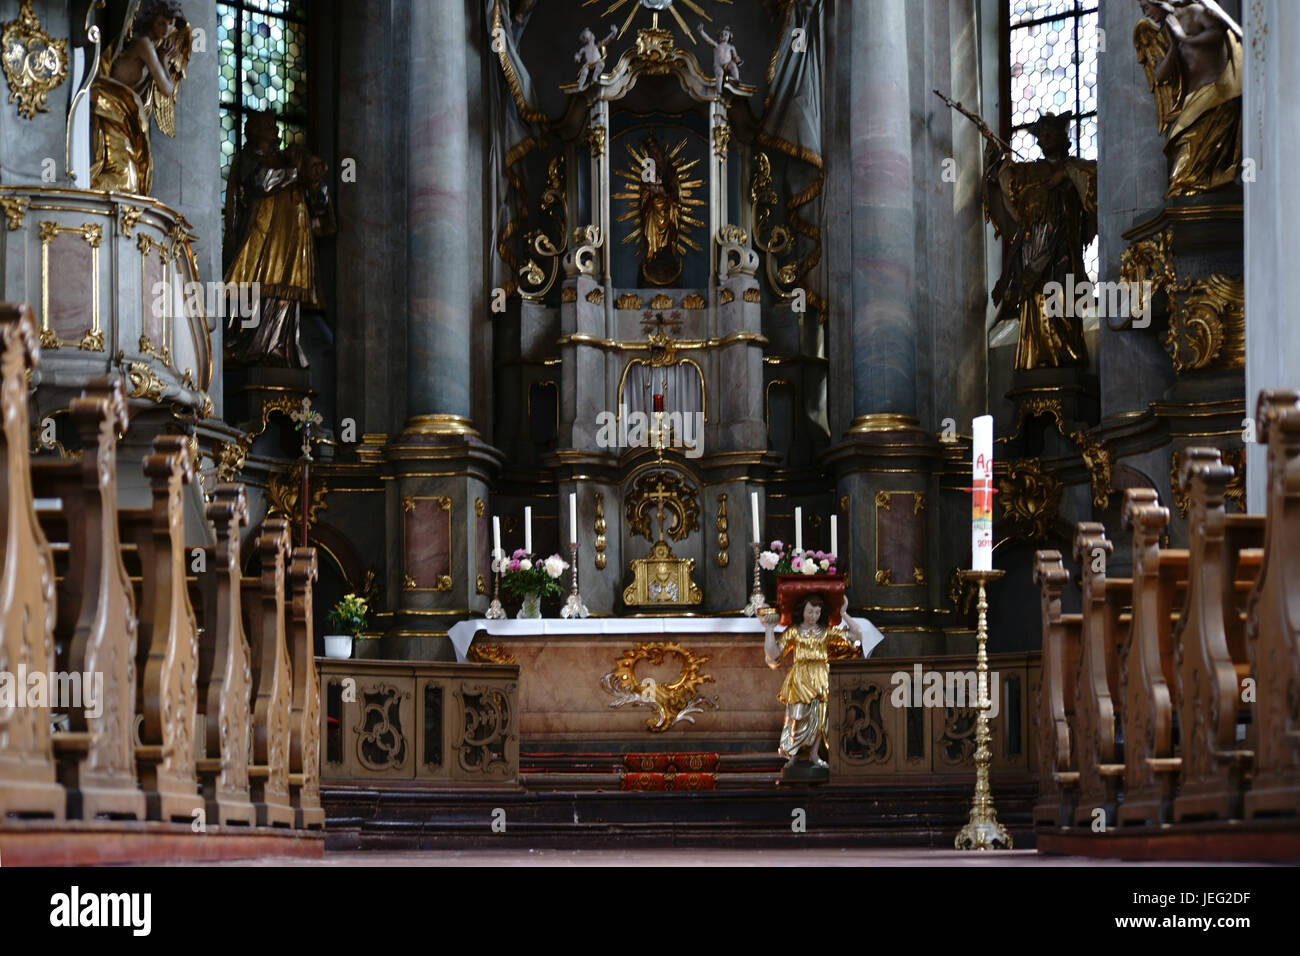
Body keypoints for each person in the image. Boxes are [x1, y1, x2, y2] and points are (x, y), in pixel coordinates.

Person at [984, 112, 1096, 370]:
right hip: (1034, 256)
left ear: (1061, 136)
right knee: (1037, 305)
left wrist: (1066, 175)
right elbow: (1009, 184)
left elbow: (1095, 178)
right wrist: (995, 157)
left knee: (1062, 306)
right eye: (1040, 136)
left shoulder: (1074, 167)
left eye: (1048, 134)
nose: (1043, 140)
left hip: (1064, 254)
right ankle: (1040, 361)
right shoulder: (1032, 172)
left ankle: (1066, 361)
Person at [222, 111, 327, 368]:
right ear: (254, 131)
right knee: (254, 296)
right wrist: (296, 173)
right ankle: (252, 347)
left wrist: (313, 178)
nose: (276, 132)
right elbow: (263, 181)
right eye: (270, 127)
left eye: (275, 127)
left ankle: (282, 347)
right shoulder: (248, 158)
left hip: (288, 250)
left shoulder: (286, 160)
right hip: (259, 246)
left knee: (285, 300)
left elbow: (319, 203)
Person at [1135, 0, 1242, 198]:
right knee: (1182, 173)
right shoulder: (1164, 31)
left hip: (1216, 95)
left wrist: (1185, 39)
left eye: (1146, 7)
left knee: (1183, 180)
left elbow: (1217, 33)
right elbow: (1159, 75)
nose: (1146, 14)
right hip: (1191, 103)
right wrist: (1175, 45)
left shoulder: (1195, 11)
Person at [90, 0, 189, 195]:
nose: (167, 29)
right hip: (111, 108)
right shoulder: (144, 44)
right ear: (151, 19)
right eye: (162, 22)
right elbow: (167, 88)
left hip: (122, 115)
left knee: (131, 182)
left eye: (171, 23)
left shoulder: (150, 46)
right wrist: (163, 60)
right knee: (124, 180)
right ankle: (86, 188)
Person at [762, 593, 869, 769]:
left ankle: (814, 754)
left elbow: (857, 636)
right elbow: (773, 654)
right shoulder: (794, 631)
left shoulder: (825, 631)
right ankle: (794, 755)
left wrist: (843, 613)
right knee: (797, 716)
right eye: (810, 611)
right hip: (800, 678)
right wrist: (769, 629)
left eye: (817, 612)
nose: (813, 616)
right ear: (802, 611)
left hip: (821, 676)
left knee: (820, 717)